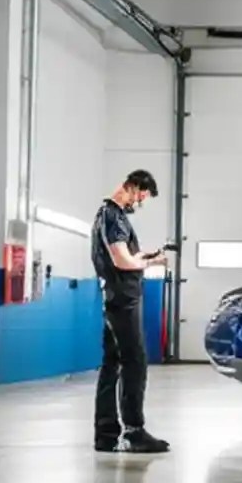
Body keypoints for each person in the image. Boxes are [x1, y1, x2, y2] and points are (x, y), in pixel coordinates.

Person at [91, 170, 171, 453]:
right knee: (135, 361)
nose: (141, 203)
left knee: (112, 363)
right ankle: (135, 432)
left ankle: (106, 434)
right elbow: (121, 260)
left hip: (114, 297)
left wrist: (145, 256)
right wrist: (149, 264)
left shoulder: (106, 215)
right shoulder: (114, 215)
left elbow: (124, 257)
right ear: (134, 188)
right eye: (142, 196)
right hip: (123, 300)